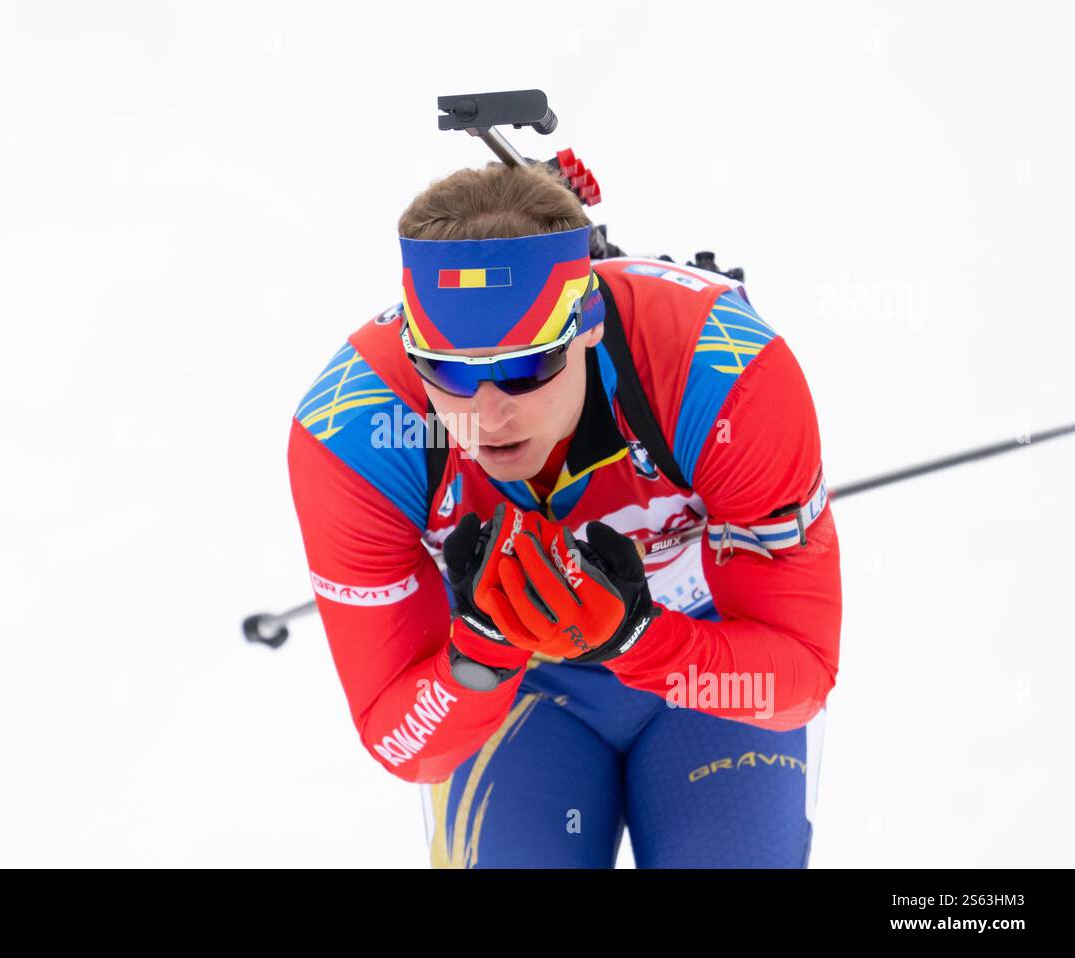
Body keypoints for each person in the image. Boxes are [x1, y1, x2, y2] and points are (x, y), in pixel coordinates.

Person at [287, 162, 842, 868]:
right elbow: (403, 743)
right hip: (525, 696)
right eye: (450, 372)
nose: (487, 413)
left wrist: (640, 640)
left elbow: (800, 675)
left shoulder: (724, 370)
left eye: (525, 368)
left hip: (703, 648)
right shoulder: (352, 433)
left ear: (589, 324)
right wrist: (482, 654)